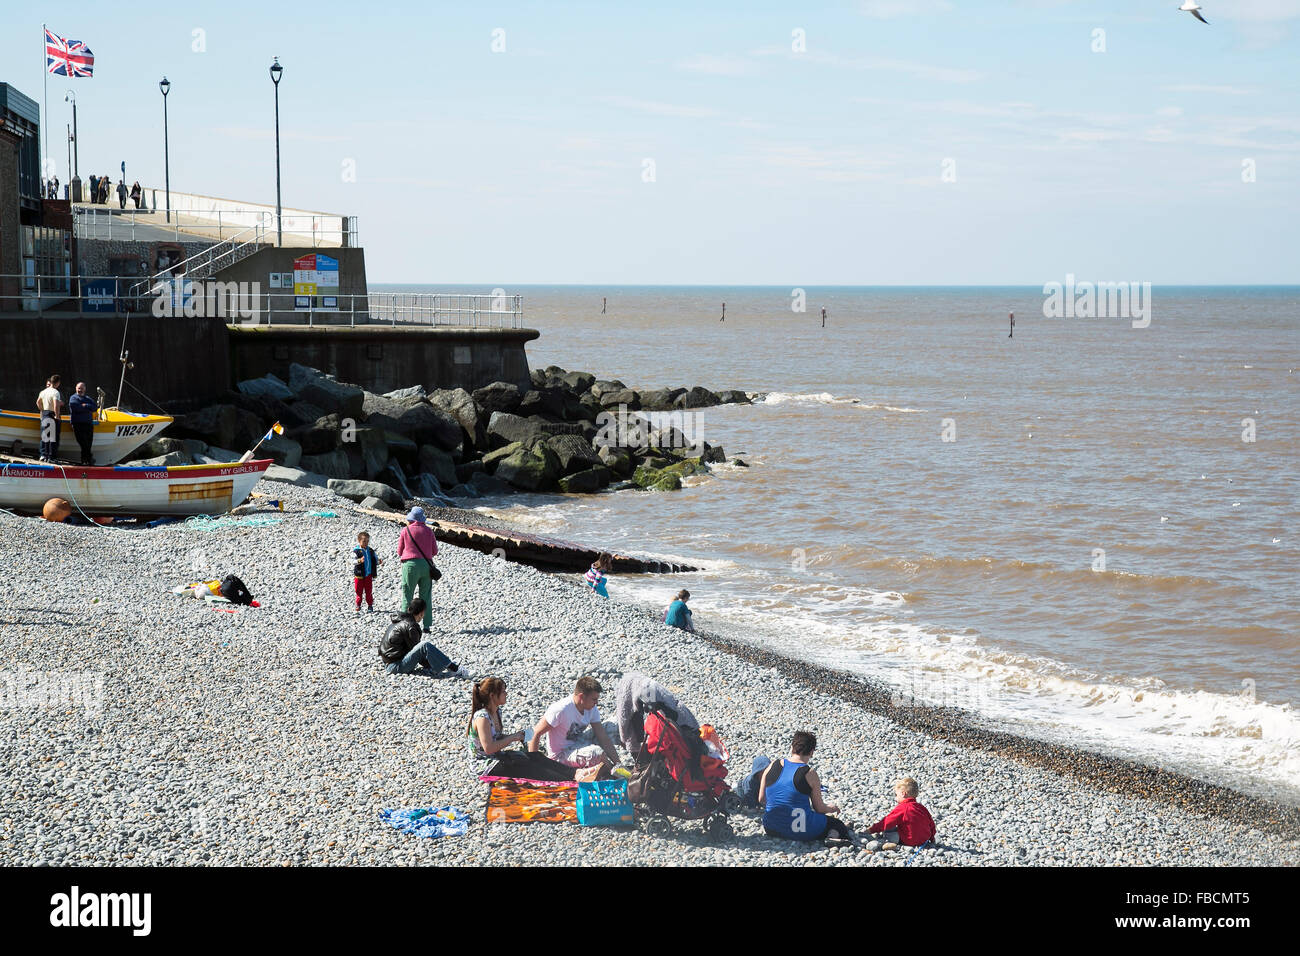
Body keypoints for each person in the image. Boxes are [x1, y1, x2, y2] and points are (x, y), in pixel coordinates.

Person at [467, 677, 575, 781]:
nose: (506, 694)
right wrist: (512, 738)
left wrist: (518, 735)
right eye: (503, 691)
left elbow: (496, 737)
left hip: (497, 757)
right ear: (492, 695)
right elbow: (489, 748)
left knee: (535, 756)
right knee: (529, 767)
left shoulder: (497, 712)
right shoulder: (482, 717)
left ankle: (573, 773)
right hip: (483, 764)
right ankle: (568, 780)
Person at [758, 730, 853, 846]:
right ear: (812, 752)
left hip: (771, 827)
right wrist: (831, 808)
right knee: (837, 824)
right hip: (800, 830)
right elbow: (819, 808)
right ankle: (832, 837)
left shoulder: (773, 765)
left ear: (792, 747)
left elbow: (762, 798)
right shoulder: (810, 773)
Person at [529, 676, 620, 769]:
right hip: (561, 755)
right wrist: (535, 765)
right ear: (581, 696)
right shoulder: (560, 710)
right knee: (596, 753)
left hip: (580, 742)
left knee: (616, 725)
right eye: (594, 699)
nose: (597, 703)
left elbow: (602, 736)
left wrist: (618, 763)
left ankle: (625, 766)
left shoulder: (591, 708)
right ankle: (613, 773)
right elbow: (535, 732)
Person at [614, 671, 698, 757]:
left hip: (654, 699)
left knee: (635, 719)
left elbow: (623, 718)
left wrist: (623, 739)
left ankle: (640, 755)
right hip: (670, 707)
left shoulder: (626, 690)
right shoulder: (645, 685)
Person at [378, 597, 468, 677]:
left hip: (387, 663)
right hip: (395, 667)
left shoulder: (398, 620)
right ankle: (454, 669)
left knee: (424, 648)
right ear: (421, 613)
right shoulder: (411, 627)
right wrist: (433, 665)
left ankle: (447, 664)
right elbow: (418, 651)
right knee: (424, 645)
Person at [397, 506, 437, 632]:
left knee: (407, 594)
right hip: (426, 566)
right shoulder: (429, 531)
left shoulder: (405, 530)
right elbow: (434, 551)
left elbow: (399, 551)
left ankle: (405, 623)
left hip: (410, 566)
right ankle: (426, 626)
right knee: (426, 596)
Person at [867, 776, 936, 848]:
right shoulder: (922, 808)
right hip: (924, 840)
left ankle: (888, 844)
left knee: (889, 830)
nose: (895, 798)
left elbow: (887, 822)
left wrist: (871, 830)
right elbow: (931, 825)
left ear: (903, 793)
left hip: (909, 841)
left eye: (896, 795)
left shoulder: (903, 808)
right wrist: (932, 838)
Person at [68, 382, 99, 465]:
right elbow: (75, 408)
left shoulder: (88, 398)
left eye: (81, 388)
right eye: (78, 388)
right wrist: (87, 407)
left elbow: (95, 408)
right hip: (78, 424)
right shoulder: (73, 398)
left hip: (88, 424)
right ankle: (89, 459)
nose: (80, 390)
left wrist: (85, 405)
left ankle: (85, 461)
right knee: (83, 443)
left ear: (84, 389)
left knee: (88, 443)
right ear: (76, 388)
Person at [352, 530, 383, 612]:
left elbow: (375, 559)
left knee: (368, 591)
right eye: (364, 541)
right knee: (358, 591)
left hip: (368, 575)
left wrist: (378, 562)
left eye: (367, 541)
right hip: (359, 575)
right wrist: (359, 561)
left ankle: (370, 605)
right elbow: (352, 561)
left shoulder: (370, 550)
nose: (366, 543)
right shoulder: (356, 551)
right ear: (359, 541)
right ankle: (358, 604)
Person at [36, 374, 65, 462]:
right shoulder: (55, 392)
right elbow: (56, 404)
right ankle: (51, 458)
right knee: (53, 438)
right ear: (58, 383)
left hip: (45, 414)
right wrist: (57, 415)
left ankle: (43, 455)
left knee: (45, 436)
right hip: (52, 414)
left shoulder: (43, 391)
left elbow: (38, 402)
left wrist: (42, 410)